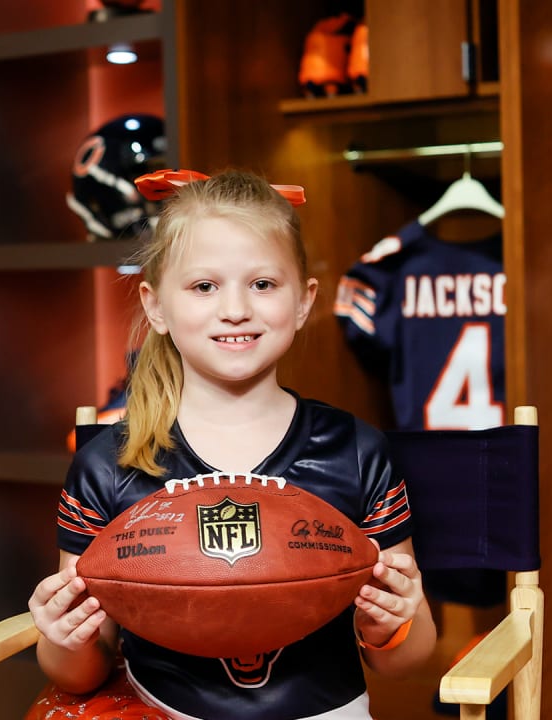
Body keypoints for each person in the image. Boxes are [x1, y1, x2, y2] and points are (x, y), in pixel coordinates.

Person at [28, 169, 436, 719]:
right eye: (204, 286)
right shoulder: (109, 464)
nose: (235, 309)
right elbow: (83, 671)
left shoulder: (357, 451)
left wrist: (391, 625)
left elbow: (407, 658)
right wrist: (61, 638)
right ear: (155, 306)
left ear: (303, 300)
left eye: (263, 284)